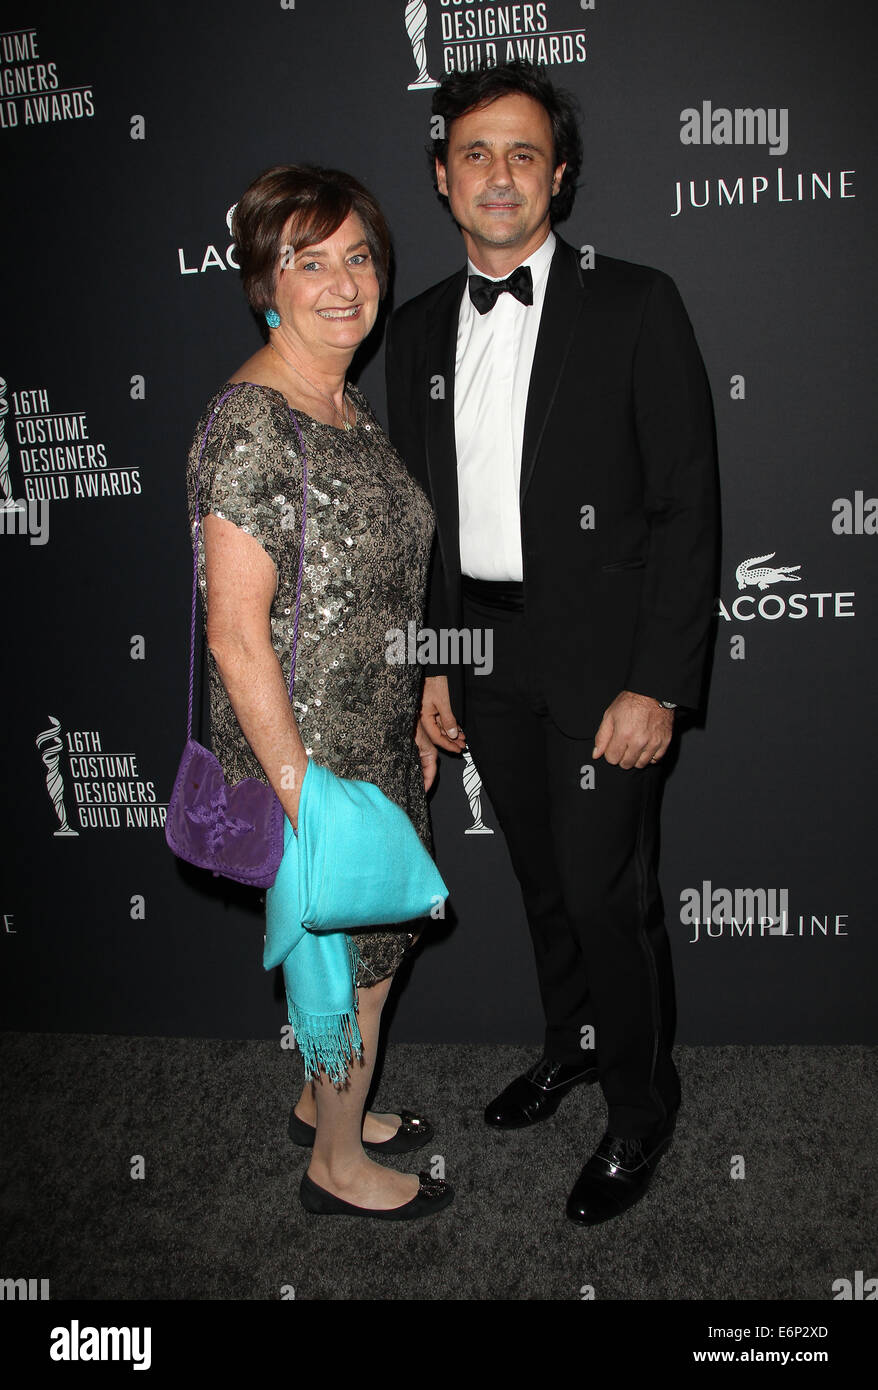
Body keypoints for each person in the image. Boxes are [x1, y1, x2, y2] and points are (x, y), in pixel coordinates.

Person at [385, 62, 719, 1225]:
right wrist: (433, 655)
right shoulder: (418, 324)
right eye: (474, 152)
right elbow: (419, 517)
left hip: (606, 661)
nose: (498, 174)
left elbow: (685, 507)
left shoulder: (634, 301)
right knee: (538, 881)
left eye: (523, 152)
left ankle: (639, 1104)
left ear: (558, 174)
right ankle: (571, 1043)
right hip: (482, 656)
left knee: (600, 889)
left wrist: (657, 684)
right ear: (440, 176)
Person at [185, 164, 452, 1220]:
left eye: (359, 258)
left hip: (371, 737)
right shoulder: (256, 421)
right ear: (265, 279)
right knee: (363, 969)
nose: (343, 283)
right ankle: (336, 1165)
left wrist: (419, 684)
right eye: (310, 261)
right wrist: (304, 795)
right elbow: (234, 633)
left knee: (369, 952)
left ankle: (322, 1101)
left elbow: (382, 568)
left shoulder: (339, 400)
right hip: (310, 758)